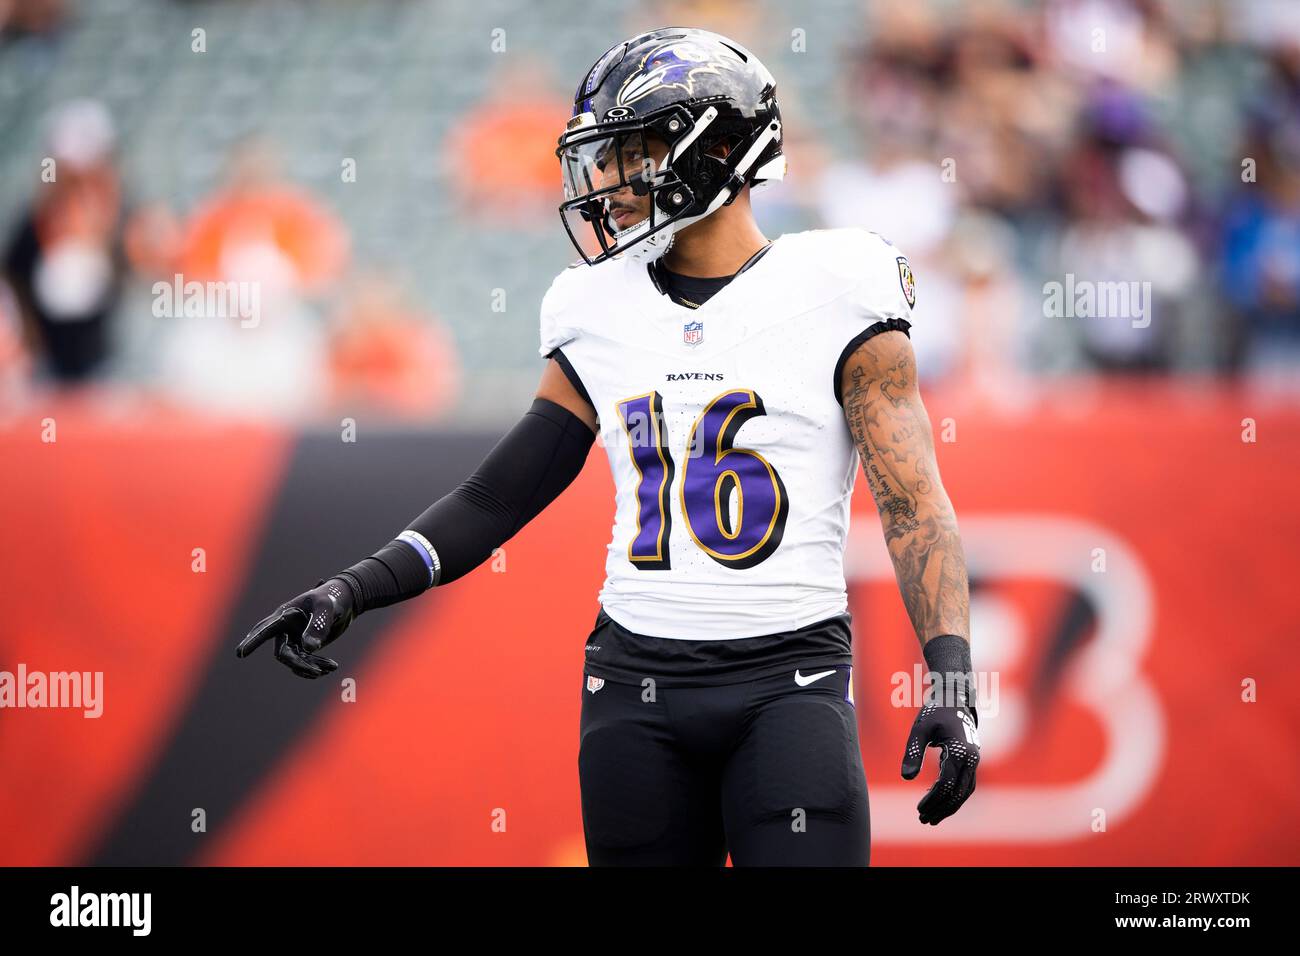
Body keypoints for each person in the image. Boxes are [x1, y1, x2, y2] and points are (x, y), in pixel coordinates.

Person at [236, 27, 979, 866]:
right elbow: (499, 495)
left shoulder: (839, 286)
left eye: (635, 150)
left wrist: (950, 676)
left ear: (720, 148)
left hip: (791, 680)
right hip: (633, 688)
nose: (610, 181)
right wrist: (354, 587)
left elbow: (914, 505)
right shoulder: (595, 306)